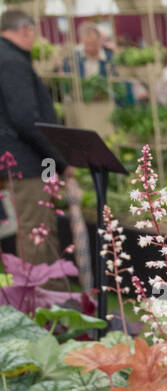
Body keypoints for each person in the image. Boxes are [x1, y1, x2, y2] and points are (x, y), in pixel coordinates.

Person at [0, 9, 68, 267]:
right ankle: (39, 302)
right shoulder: (12, 61)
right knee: (37, 233)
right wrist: (59, 159)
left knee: (37, 231)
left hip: (20, 159)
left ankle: (50, 300)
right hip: (27, 162)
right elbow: (26, 119)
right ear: (26, 29)